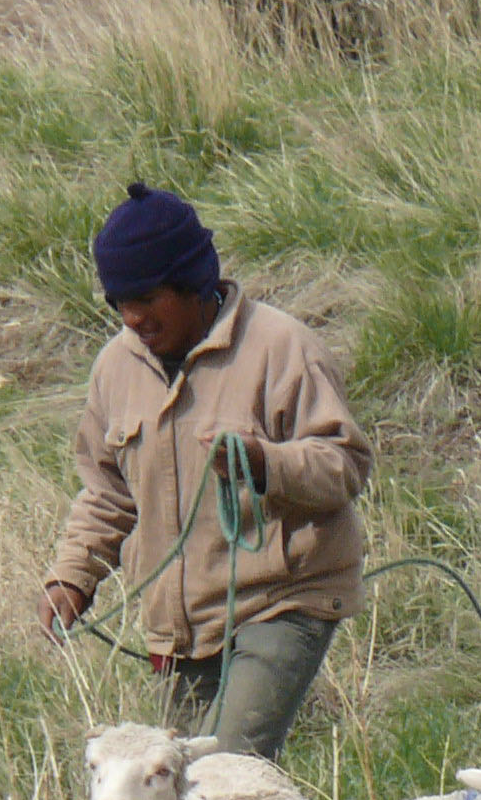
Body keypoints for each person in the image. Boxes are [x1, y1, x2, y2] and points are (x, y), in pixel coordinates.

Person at [41, 185, 371, 760]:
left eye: (146, 297)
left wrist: (265, 461)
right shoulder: (115, 368)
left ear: (195, 283)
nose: (133, 317)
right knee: (178, 794)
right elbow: (106, 493)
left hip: (282, 599)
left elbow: (344, 466)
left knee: (224, 770)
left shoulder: (282, 347)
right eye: (119, 302)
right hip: (181, 630)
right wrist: (73, 577)